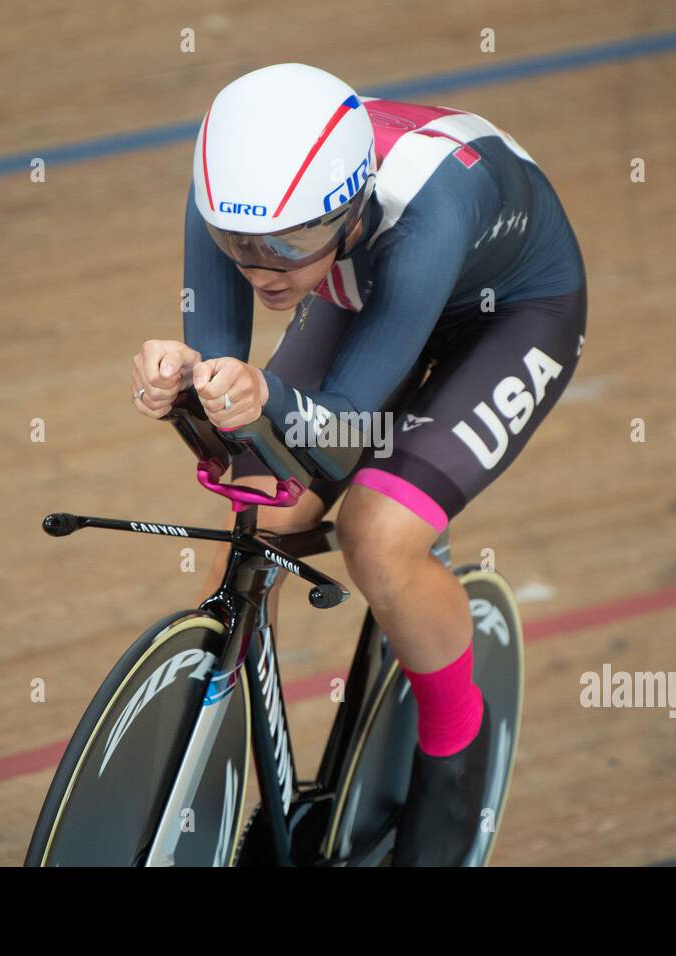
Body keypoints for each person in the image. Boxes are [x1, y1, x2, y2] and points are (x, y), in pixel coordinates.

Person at [130, 62, 586, 866]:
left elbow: (341, 425)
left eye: (286, 249)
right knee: (250, 524)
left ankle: (452, 774)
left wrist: (260, 394)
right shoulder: (239, 196)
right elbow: (226, 377)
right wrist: (185, 379)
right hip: (366, 287)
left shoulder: (427, 213)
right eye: (239, 248)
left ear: (346, 208)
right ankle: (226, 778)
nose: (262, 272)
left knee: (378, 532)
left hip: (513, 311)